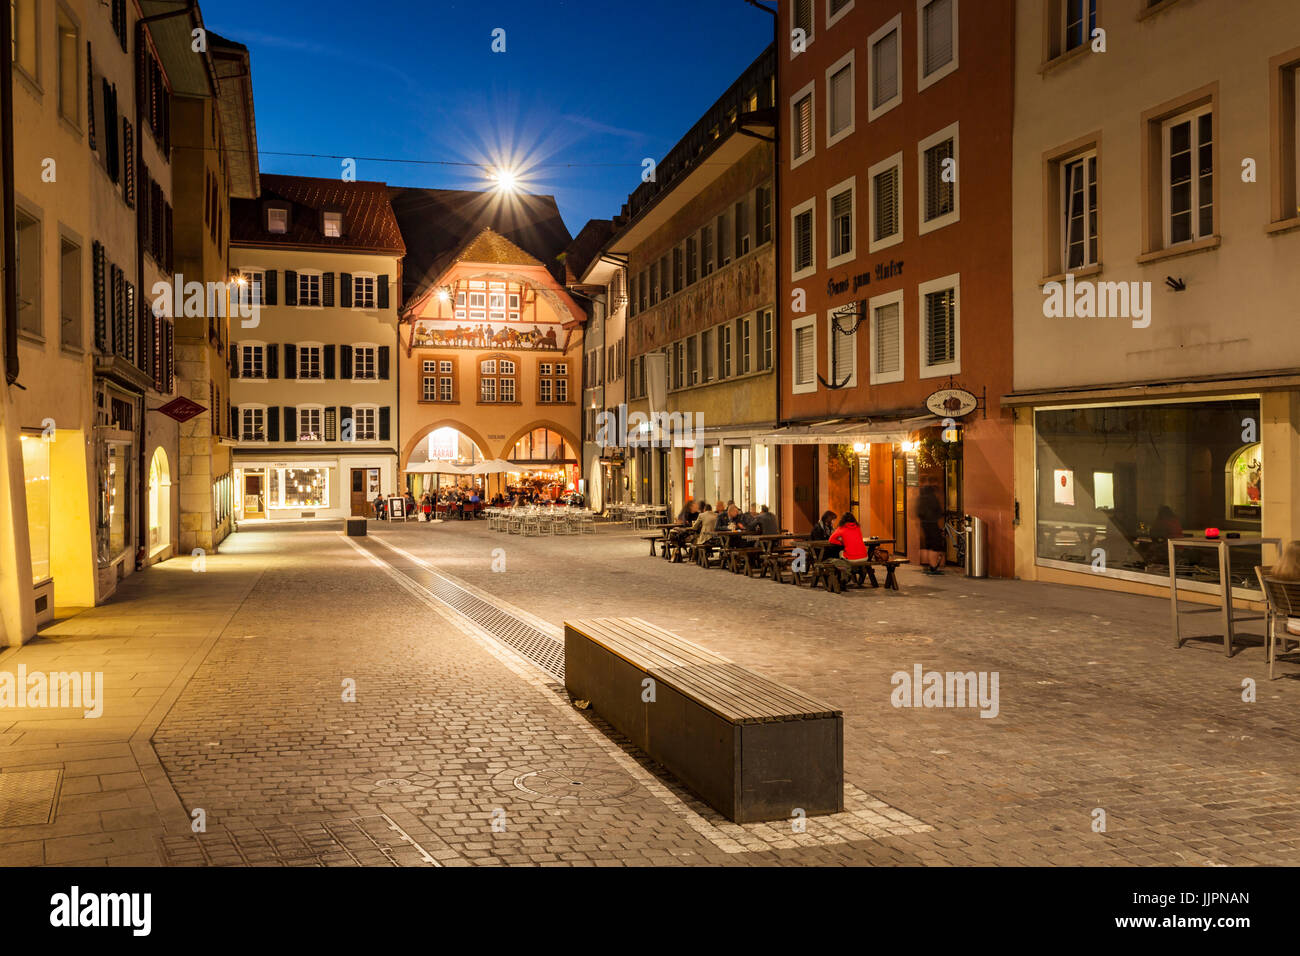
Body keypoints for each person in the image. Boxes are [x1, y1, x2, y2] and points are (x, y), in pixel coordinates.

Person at [915, 483, 945, 574]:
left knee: (928, 544)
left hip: (924, 524)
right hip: (932, 523)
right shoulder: (932, 498)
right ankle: (933, 566)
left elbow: (918, 512)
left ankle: (928, 565)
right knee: (935, 544)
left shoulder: (920, 498)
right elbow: (938, 510)